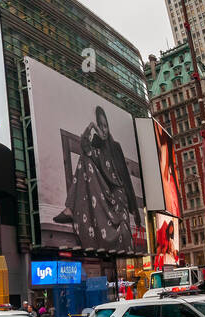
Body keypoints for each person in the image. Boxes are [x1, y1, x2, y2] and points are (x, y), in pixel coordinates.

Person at [52, 106, 142, 253]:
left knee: (85, 159)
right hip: (102, 193)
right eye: (100, 126)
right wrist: (91, 127)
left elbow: (125, 177)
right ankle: (69, 209)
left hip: (116, 197)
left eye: (105, 126)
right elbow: (85, 146)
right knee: (85, 159)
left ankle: (70, 209)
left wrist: (135, 213)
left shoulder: (115, 147)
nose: (104, 130)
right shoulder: (96, 146)